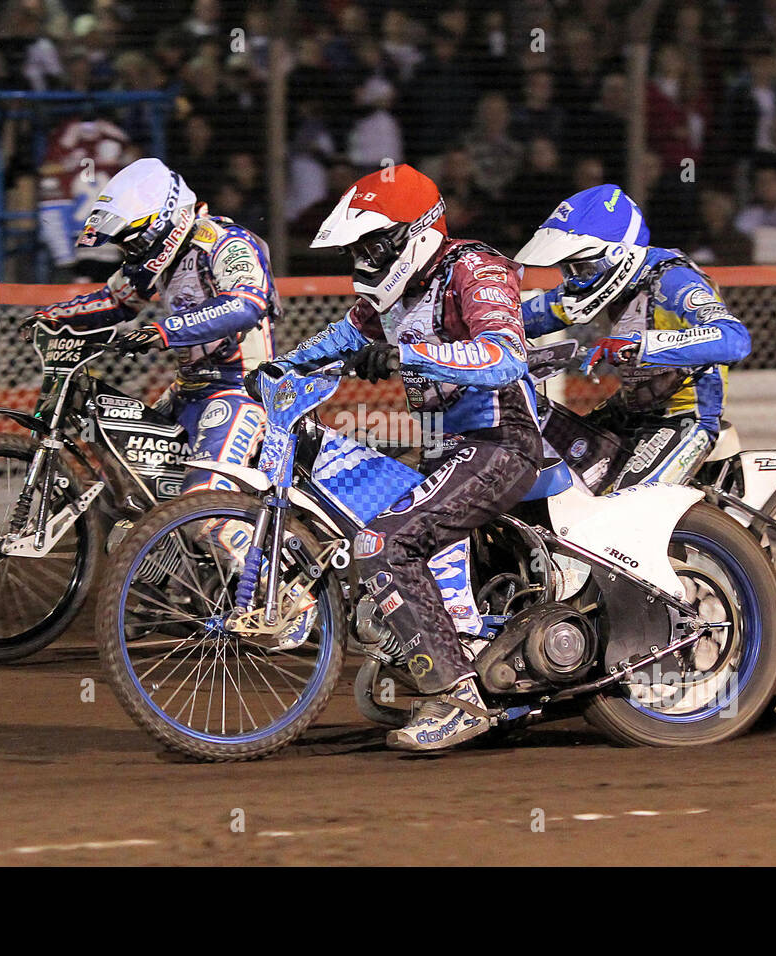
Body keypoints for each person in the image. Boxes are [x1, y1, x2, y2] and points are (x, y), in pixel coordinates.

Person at [255, 164, 540, 752]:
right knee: (367, 515)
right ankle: (438, 642)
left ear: (418, 234)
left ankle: (458, 698)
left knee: (383, 543)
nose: (362, 259)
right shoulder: (388, 295)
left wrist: (407, 356)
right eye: (357, 247)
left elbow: (505, 355)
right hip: (446, 450)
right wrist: (280, 367)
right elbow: (335, 342)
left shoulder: (474, 268)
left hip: (501, 442)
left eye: (372, 244)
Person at [25, 157, 277, 499]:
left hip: (240, 393)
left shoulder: (227, 242)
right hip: (186, 393)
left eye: (133, 242)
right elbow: (115, 300)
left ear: (163, 223)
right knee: (122, 488)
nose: (129, 253)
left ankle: (238, 549)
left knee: (202, 507)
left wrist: (165, 331)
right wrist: (54, 316)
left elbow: (247, 304)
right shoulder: (164, 260)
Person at [517, 183, 750, 488]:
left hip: (684, 415)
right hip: (627, 410)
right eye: (569, 269)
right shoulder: (592, 287)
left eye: (582, 268)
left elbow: (734, 338)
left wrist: (642, 344)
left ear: (615, 255)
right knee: (560, 480)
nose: (575, 279)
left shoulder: (672, 281)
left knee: (623, 504)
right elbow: (521, 317)